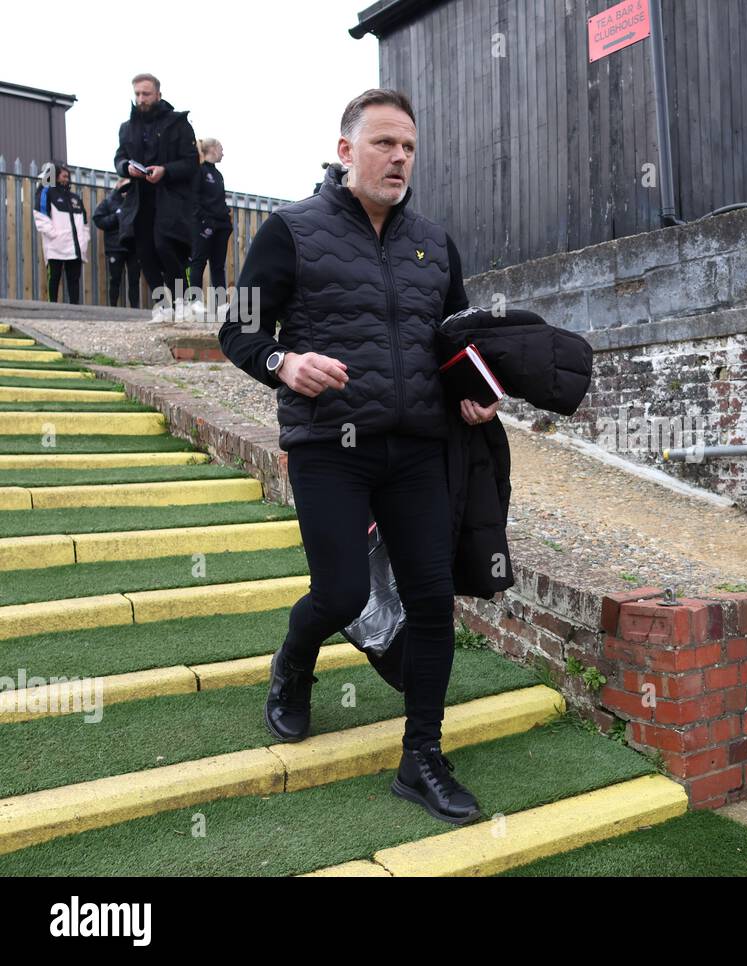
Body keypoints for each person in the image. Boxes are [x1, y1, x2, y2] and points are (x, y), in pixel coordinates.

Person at [218, 88, 490, 825]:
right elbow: (237, 329)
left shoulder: (434, 240)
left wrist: (473, 390)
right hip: (328, 446)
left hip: (417, 449)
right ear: (346, 152)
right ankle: (293, 665)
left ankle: (421, 758)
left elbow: (454, 338)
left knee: (434, 600)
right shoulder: (290, 230)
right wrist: (283, 361)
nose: (399, 157)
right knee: (340, 593)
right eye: (383, 144)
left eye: (407, 146)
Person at [112, 72, 198, 322]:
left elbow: (191, 163)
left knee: (165, 246)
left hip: (170, 199)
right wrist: (125, 166)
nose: (141, 99)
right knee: (144, 251)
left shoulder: (178, 124)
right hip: (139, 199)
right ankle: (162, 304)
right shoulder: (127, 128)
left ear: (158, 94)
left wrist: (165, 171)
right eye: (137, 94)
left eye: (146, 94)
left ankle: (181, 300)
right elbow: (119, 157)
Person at [184, 138, 232, 319]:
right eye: (221, 148)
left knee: (218, 266)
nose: (223, 153)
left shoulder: (218, 175)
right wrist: (203, 220)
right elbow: (193, 198)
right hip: (204, 225)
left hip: (221, 226)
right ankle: (194, 300)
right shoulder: (199, 171)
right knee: (198, 261)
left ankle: (221, 305)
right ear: (212, 149)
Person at [33, 163, 90, 304]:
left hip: (75, 249)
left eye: (68, 176)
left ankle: (75, 310)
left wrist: (83, 241)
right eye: (64, 176)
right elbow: (40, 216)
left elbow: (84, 223)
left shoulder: (76, 198)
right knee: (54, 278)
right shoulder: (47, 191)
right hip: (55, 247)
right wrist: (54, 236)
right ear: (55, 176)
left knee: (74, 281)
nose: (67, 179)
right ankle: (52, 309)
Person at [93, 178, 142, 309]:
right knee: (115, 279)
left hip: (133, 247)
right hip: (115, 247)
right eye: (125, 186)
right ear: (118, 185)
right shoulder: (108, 202)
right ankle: (113, 308)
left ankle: (135, 309)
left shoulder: (135, 200)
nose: (127, 190)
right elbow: (98, 220)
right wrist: (116, 216)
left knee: (134, 279)